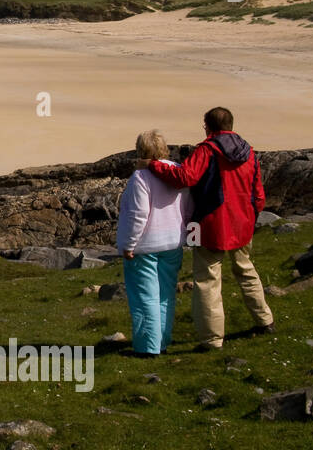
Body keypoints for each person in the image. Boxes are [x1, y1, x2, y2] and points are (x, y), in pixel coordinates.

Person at [147, 107, 274, 351]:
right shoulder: (248, 151)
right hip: (242, 223)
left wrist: (155, 166)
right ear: (231, 125)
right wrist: (251, 216)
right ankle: (265, 320)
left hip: (209, 224)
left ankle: (212, 339)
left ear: (208, 126)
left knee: (207, 281)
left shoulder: (206, 150)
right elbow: (258, 195)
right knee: (246, 271)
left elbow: (185, 177)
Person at [117, 130, 190, 357]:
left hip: (146, 245)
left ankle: (147, 347)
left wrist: (129, 244)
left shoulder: (141, 177)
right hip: (173, 242)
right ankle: (162, 342)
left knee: (145, 297)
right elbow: (188, 206)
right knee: (166, 295)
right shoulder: (178, 172)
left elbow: (138, 214)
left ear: (141, 150)